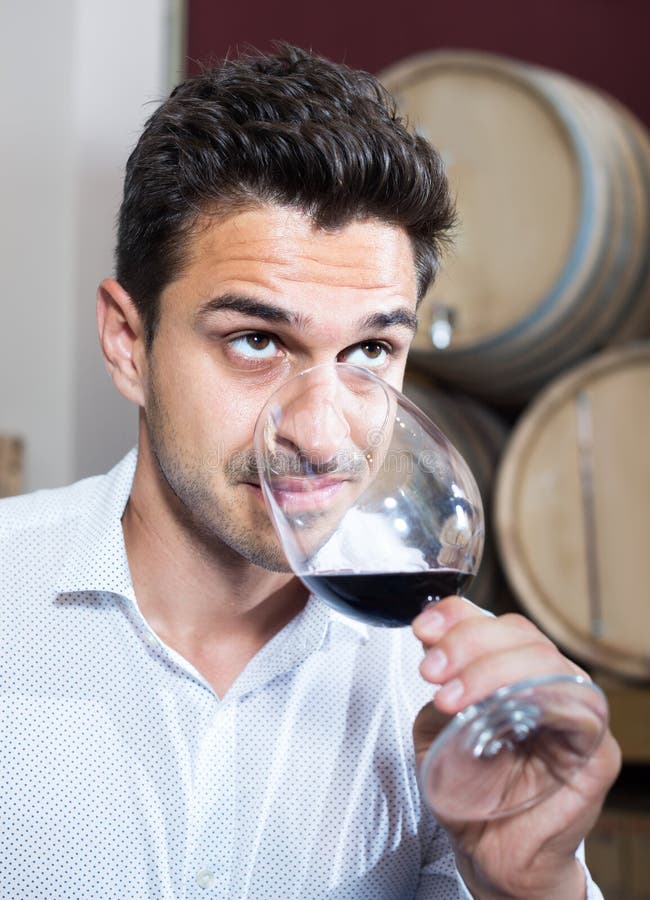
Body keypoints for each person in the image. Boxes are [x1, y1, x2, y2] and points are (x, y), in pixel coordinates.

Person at [0, 43, 619, 898]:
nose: (323, 435)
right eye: (257, 341)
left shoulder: (456, 706)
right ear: (126, 342)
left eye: (370, 350)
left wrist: (532, 884)